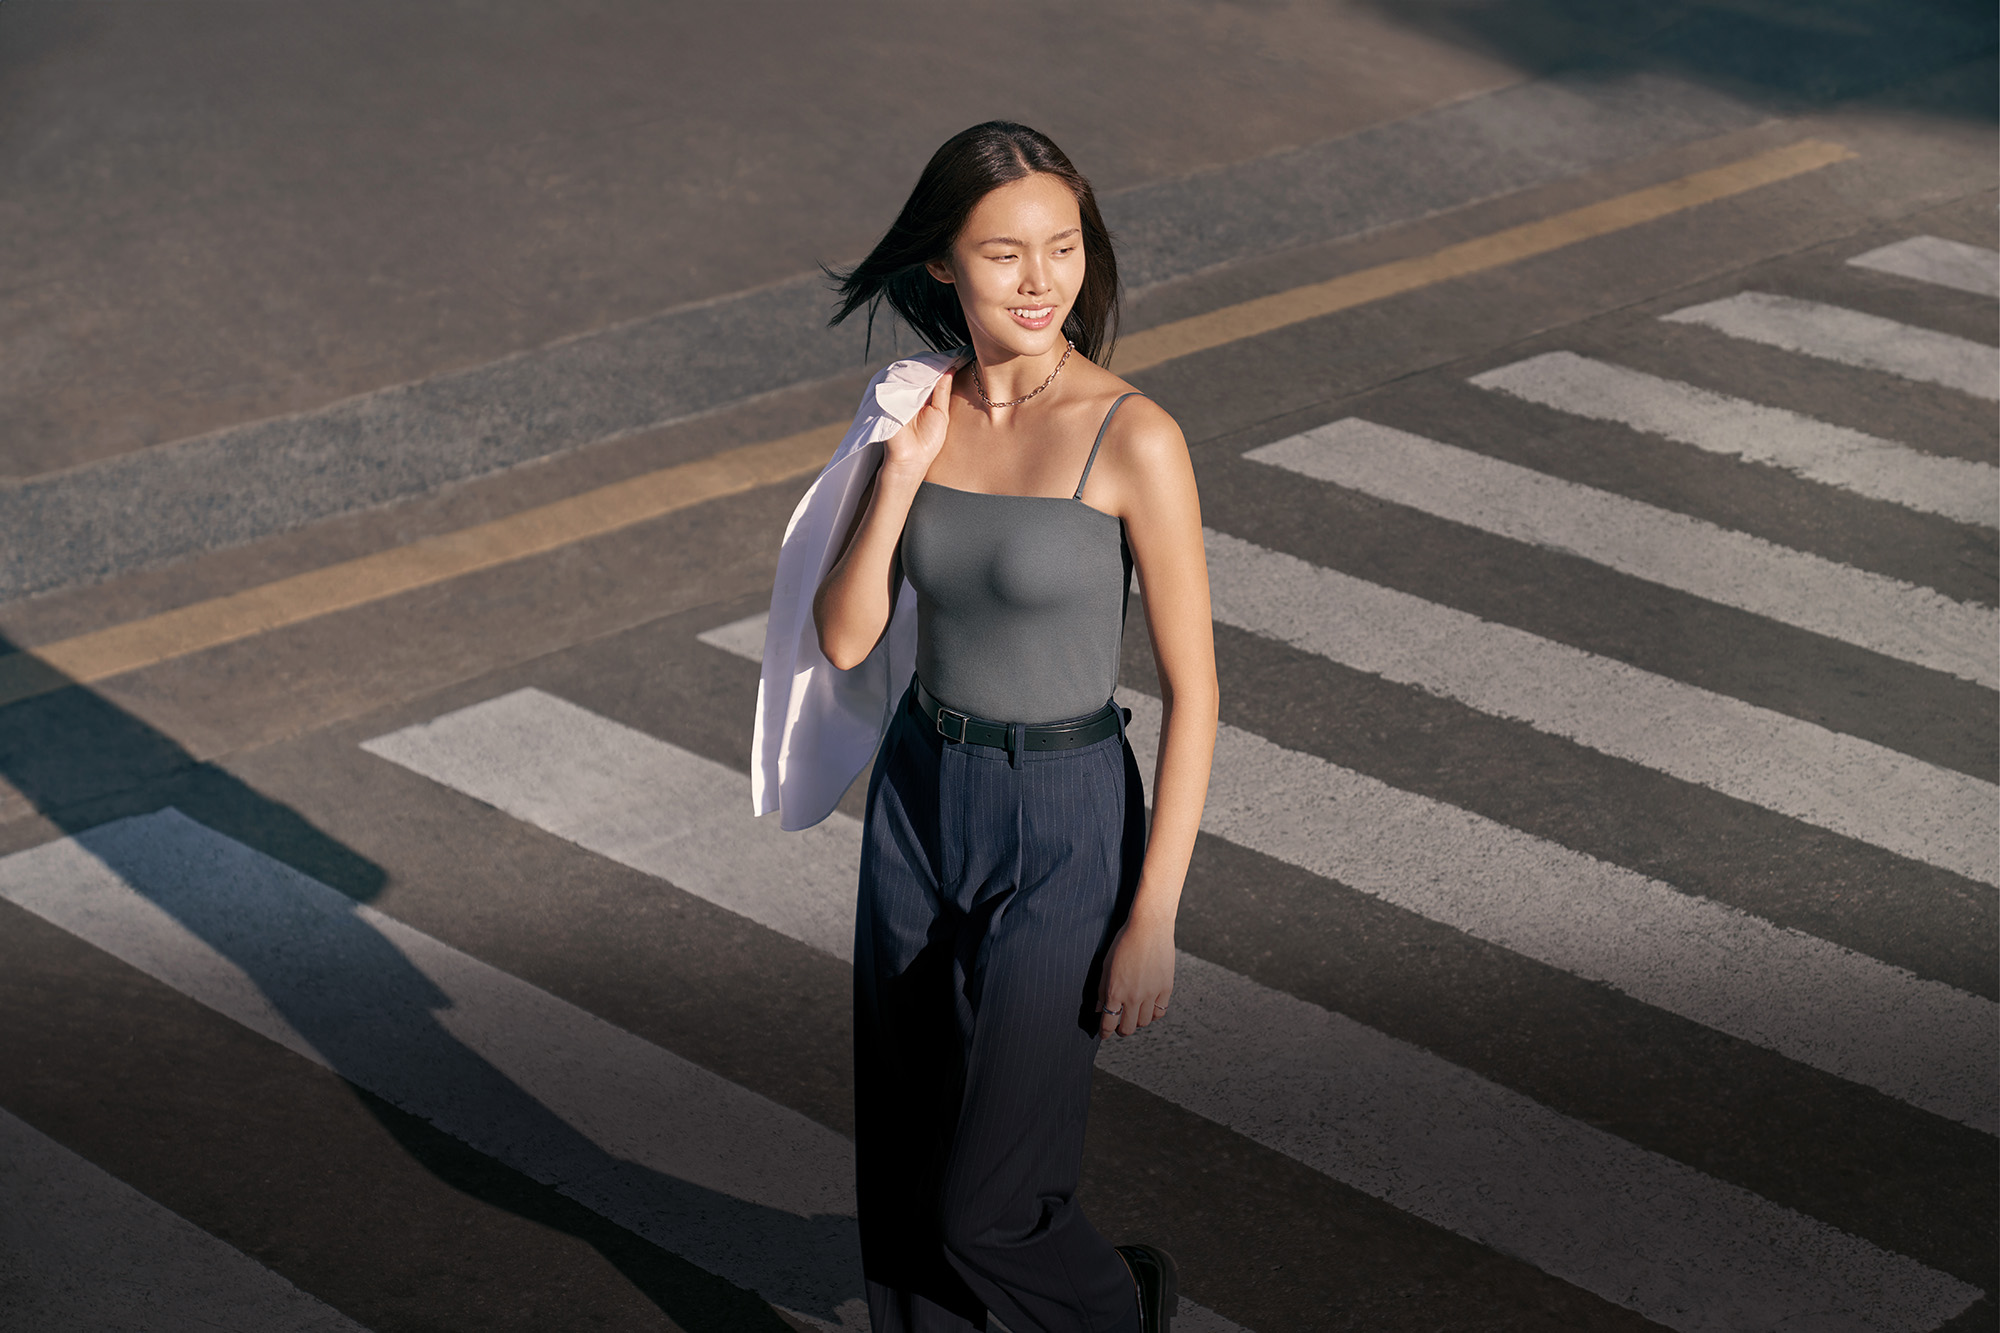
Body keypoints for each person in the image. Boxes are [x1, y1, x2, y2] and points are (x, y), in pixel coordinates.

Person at [767, 120, 1217, 1333]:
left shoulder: (1134, 436)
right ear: (941, 267)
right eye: (1004, 252)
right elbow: (849, 636)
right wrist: (903, 468)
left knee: (991, 1201)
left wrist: (1154, 915)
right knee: (907, 1175)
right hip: (920, 795)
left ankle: (1117, 1309)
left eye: (1062, 248)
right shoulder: (912, 410)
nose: (1038, 280)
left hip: (1064, 817)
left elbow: (1198, 692)